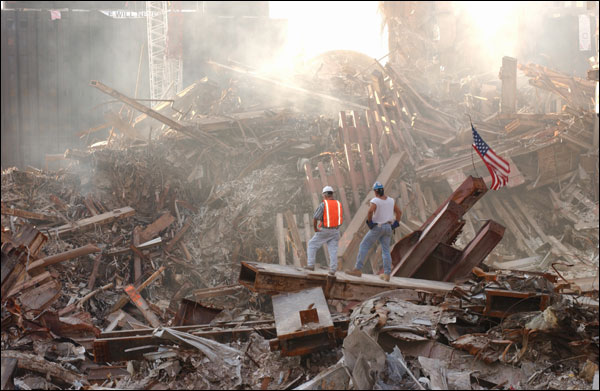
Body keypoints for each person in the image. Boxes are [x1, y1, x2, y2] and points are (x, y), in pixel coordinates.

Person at [346, 181, 402, 281]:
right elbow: (399, 212)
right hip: (388, 227)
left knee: (364, 245)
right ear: (383, 190)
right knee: (385, 251)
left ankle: (358, 269)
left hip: (378, 227)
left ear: (376, 191)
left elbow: (370, 211)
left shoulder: (375, 200)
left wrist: (370, 222)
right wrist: (396, 224)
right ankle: (387, 274)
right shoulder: (391, 200)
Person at [305, 186, 343, 275]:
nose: (323, 197)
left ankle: (310, 265)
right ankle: (333, 269)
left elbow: (315, 218)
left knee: (312, 244)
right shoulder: (338, 204)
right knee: (333, 250)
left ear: (325, 195)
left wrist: (315, 228)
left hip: (325, 230)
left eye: (323, 195)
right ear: (332, 194)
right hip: (336, 231)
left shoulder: (323, 204)